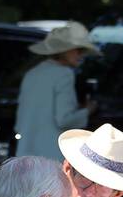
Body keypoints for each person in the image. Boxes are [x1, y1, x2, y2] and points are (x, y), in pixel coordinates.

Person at [13, 22, 99, 161]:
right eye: (78, 50)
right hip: (50, 157)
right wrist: (87, 110)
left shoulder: (32, 73)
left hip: (24, 154)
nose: (81, 55)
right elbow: (65, 120)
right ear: (64, 50)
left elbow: (19, 122)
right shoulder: (64, 74)